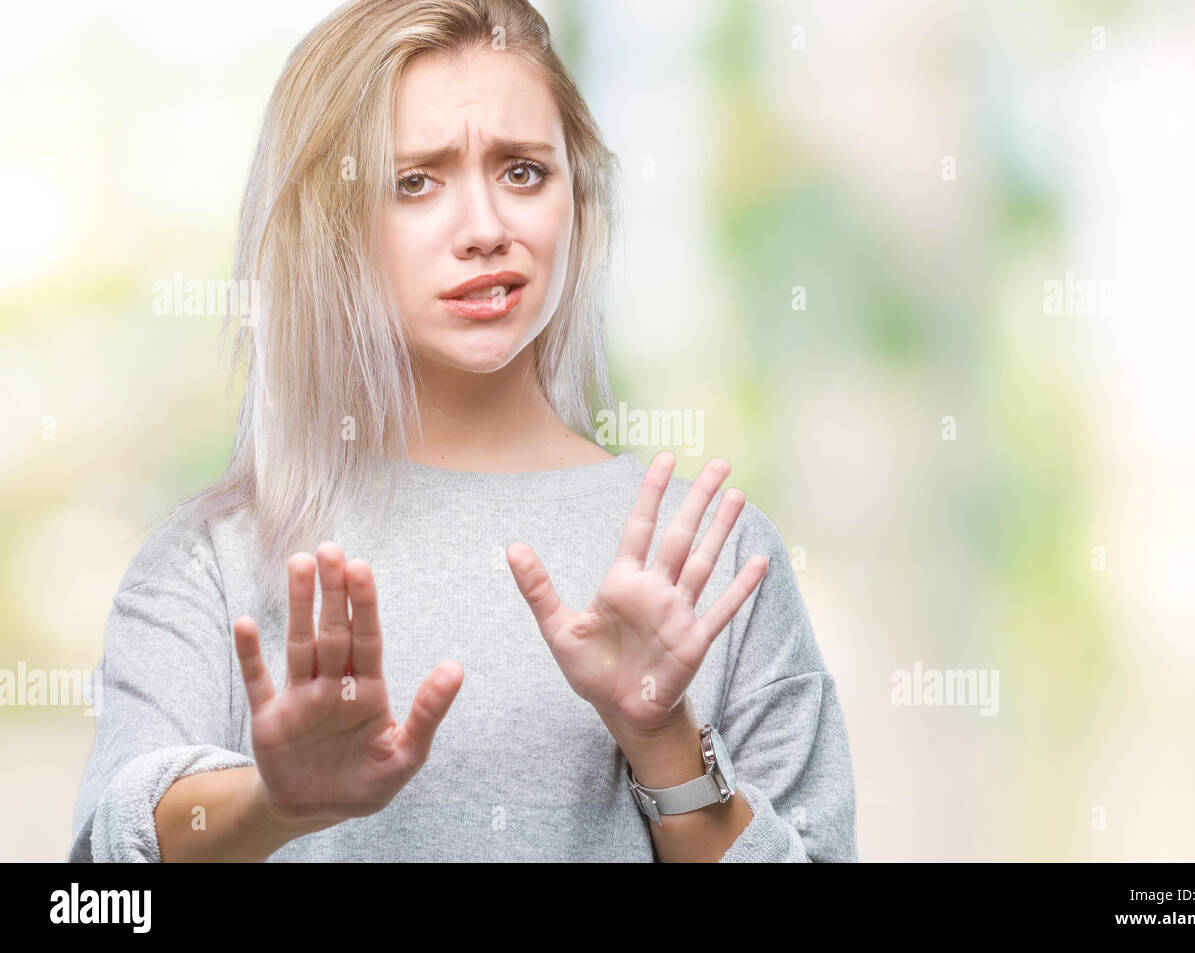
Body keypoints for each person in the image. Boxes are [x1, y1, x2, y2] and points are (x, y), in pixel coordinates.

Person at [68, 0, 857, 862]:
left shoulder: (711, 557)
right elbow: (100, 886)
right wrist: (274, 803)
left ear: (577, 195)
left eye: (523, 171)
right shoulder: (209, 560)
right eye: (415, 180)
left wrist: (663, 742)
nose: (486, 231)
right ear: (327, 222)